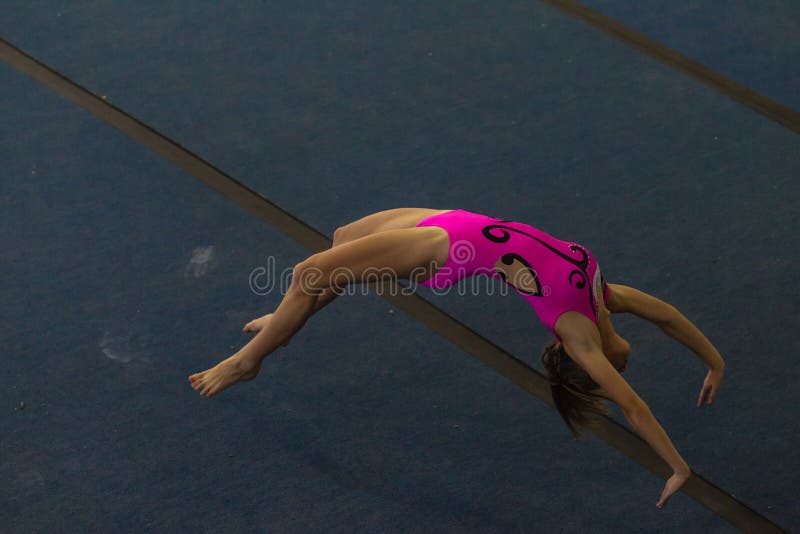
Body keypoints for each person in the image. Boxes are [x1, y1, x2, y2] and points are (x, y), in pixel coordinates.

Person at [189, 207, 725, 508]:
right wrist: (714, 362)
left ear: (578, 359)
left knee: (310, 273)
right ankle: (287, 319)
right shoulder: (608, 297)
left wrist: (678, 467)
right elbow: (670, 316)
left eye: (611, 370)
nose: (621, 362)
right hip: (456, 219)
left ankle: (251, 357)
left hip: (448, 248)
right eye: (618, 362)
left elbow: (634, 409)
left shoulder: (576, 331)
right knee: (344, 239)